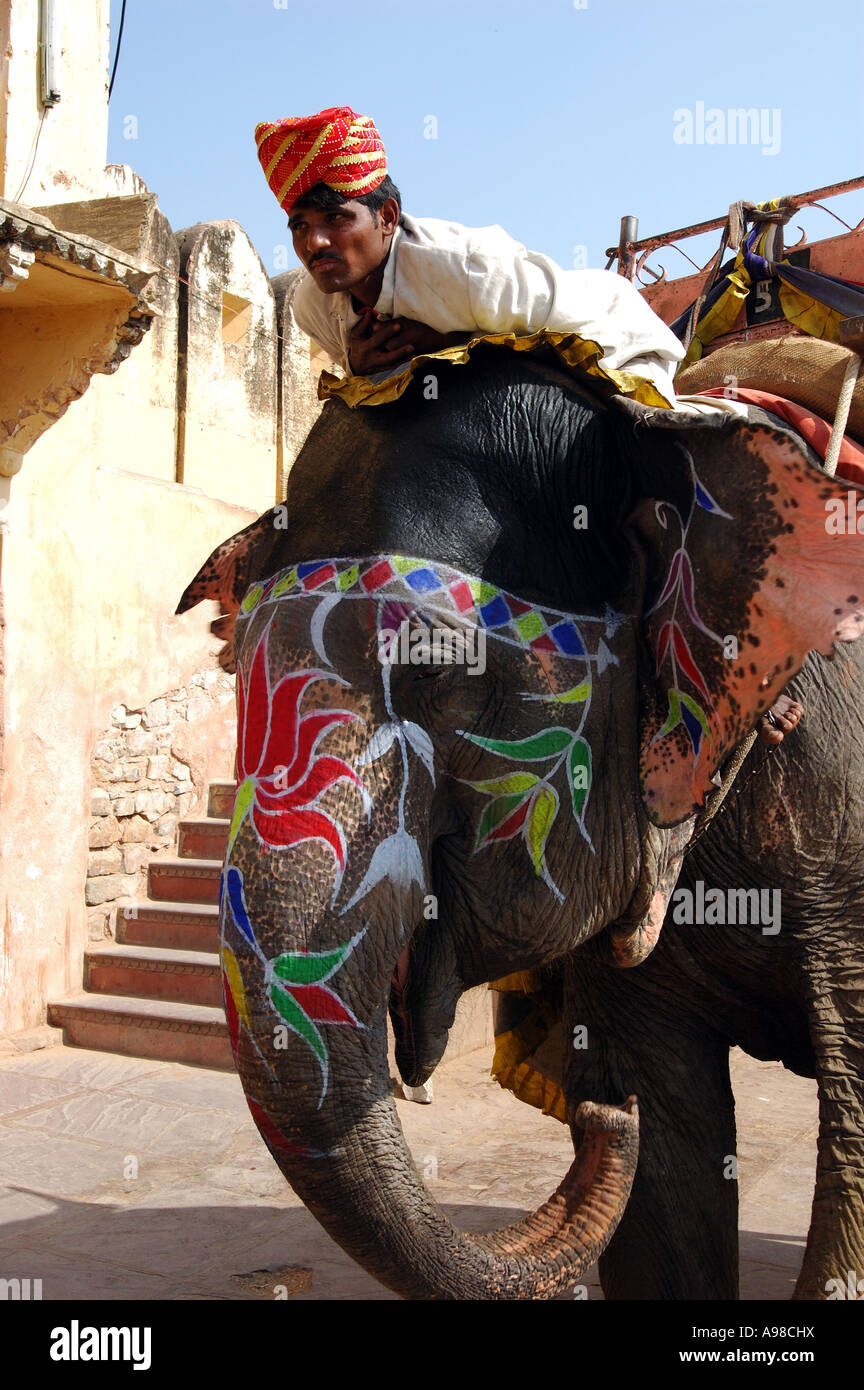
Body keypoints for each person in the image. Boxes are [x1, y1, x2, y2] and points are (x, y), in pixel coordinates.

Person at [252, 104, 802, 746]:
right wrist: (362, 359)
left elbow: (566, 334)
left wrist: (461, 336)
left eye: (337, 218)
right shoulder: (312, 305)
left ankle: (740, 660)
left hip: (601, 346)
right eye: (301, 226)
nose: (316, 243)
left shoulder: (466, 272)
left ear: (388, 219)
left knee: (656, 483)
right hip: (476, 387)